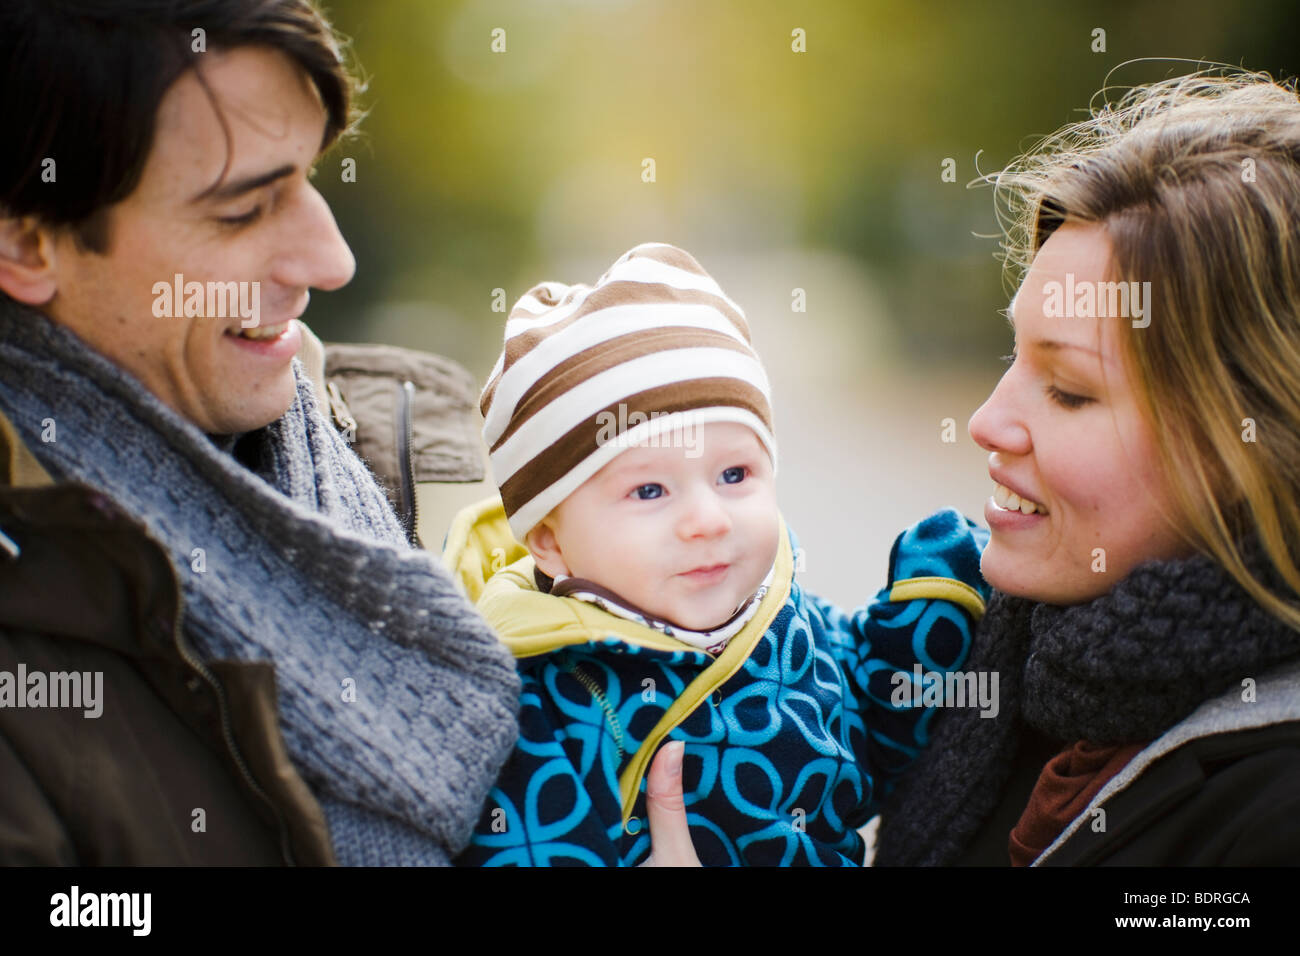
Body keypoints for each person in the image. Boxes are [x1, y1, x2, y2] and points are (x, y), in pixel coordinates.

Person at [0, 0, 522, 865]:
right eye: (244, 211)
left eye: (309, 178)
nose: (331, 259)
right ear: (25, 243)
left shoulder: (424, 455)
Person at [446, 242, 992, 866]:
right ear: (549, 540)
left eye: (734, 474)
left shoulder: (787, 623)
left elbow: (877, 731)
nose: (707, 519)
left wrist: (936, 607)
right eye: (649, 490)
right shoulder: (535, 696)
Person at [875, 69, 1300, 866]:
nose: (987, 422)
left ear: (1249, 444)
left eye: (1068, 391)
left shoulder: (1274, 816)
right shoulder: (994, 670)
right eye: (1014, 356)